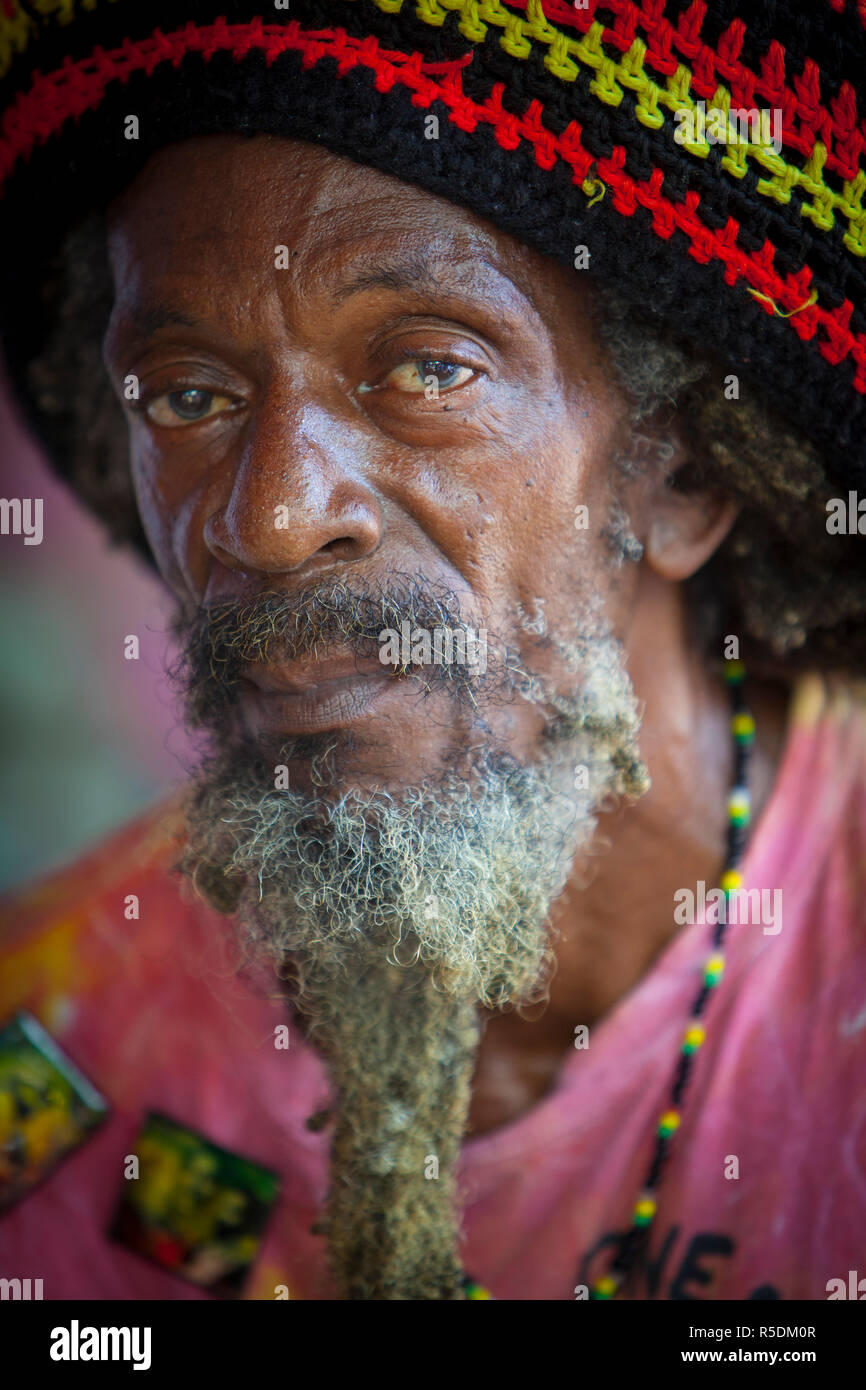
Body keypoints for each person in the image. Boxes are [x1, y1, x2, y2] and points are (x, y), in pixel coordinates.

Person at [0, 0, 864, 1302]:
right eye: (190, 396)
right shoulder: (53, 1026)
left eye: (429, 370)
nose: (273, 517)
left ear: (677, 472)